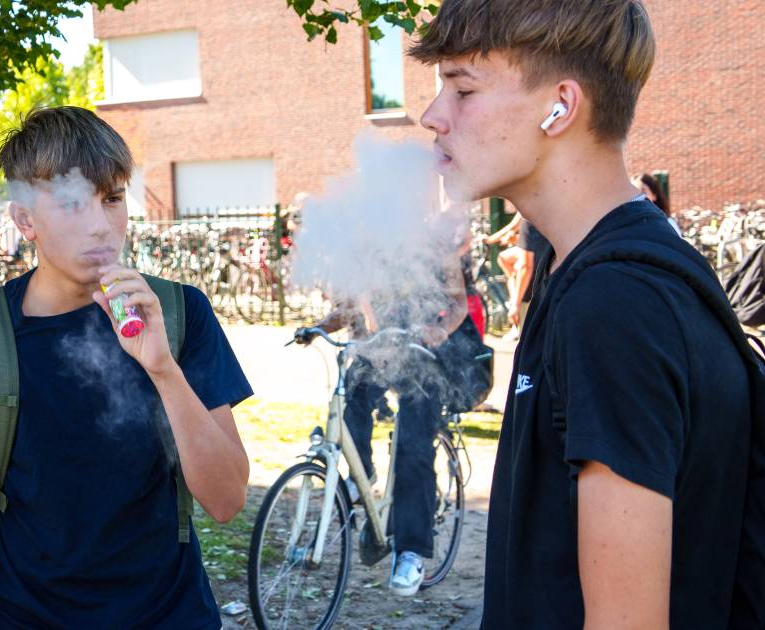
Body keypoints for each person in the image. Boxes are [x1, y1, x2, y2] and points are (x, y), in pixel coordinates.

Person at [412, 1, 753, 627]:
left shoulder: (614, 304)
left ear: (560, 107)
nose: (433, 117)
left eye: (461, 88)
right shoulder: (597, 270)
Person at [0, 106, 253, 628]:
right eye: (72, 203)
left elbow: (227, 499)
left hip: (171, 615)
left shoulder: (181, 314)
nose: (100, 225)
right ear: (24, 218)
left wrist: (164, 369)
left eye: (113, 198)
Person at [296, 223, 468, 596]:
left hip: (423, 355)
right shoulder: (364, 245)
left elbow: (458, 304)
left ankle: (411, 550)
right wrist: (317, 327)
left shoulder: (436, 244)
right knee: (352, 393)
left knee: (412, 445)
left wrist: (440, 330)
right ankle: (364, 474)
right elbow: (346, 309)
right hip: (377, 349)